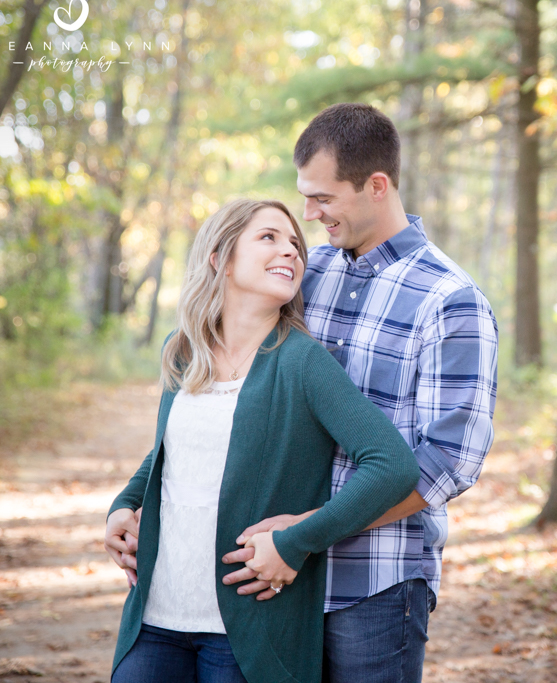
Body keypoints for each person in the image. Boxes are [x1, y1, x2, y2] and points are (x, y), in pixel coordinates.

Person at [221, 103, 499, 682]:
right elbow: (229, 383)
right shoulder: (304, 276)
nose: (309, 214)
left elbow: (450, 460)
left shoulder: (450, 300)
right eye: (305, 197)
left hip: (376, 580)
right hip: (273, 573)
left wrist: (310, 529)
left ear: (377, 186)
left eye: (323, 198)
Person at [102, 198, 419, 683]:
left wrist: (297, 541)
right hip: (154, 617)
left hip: (247, 629)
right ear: (221, 259)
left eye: (295, 243)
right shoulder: (185, 351)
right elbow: (170, 451)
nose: (291, 251)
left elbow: (392, 465)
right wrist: (122, 507)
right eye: (269, 237)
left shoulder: (303, 361)